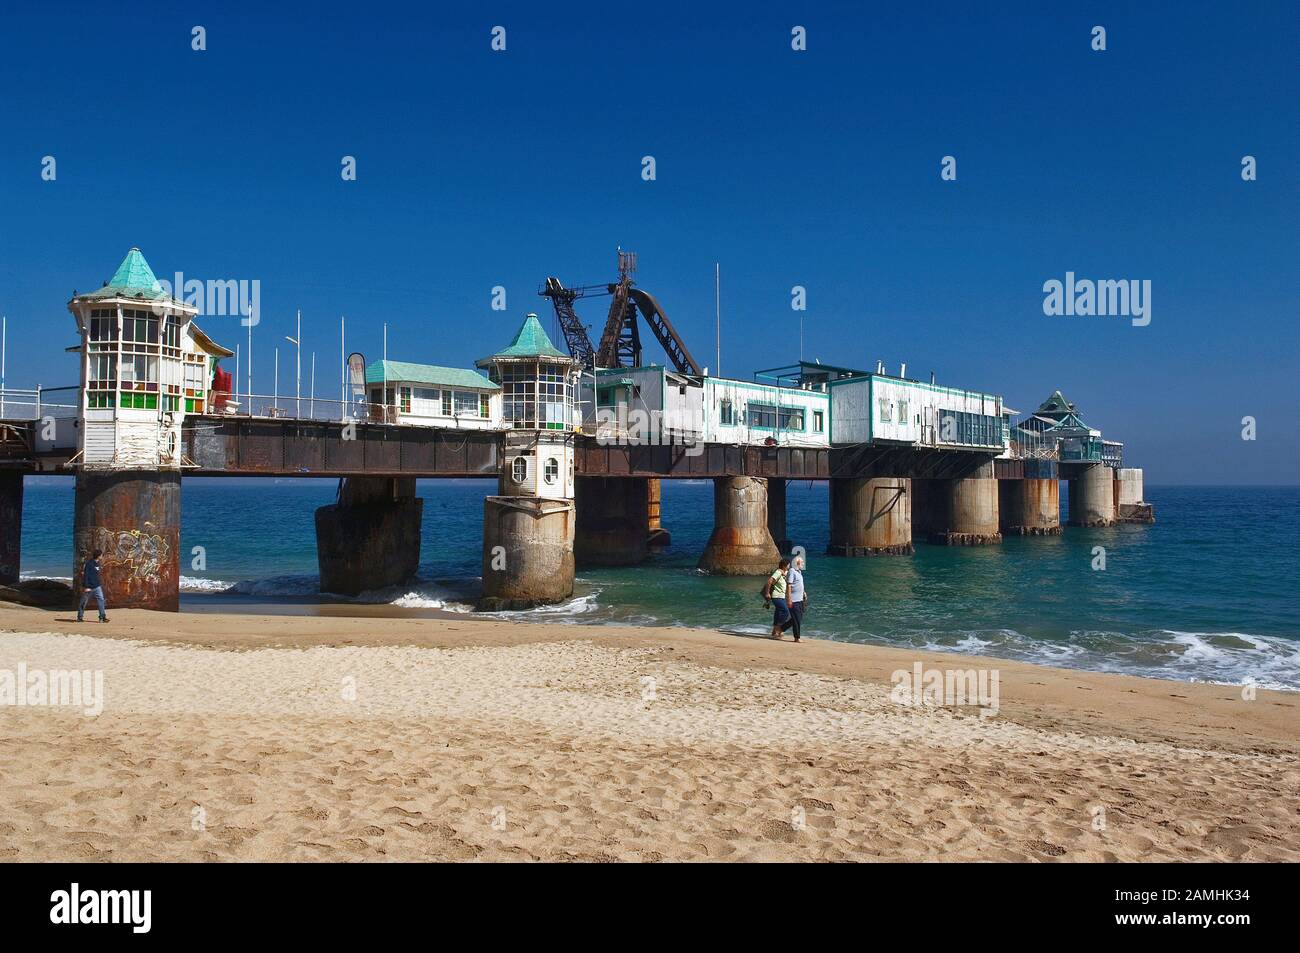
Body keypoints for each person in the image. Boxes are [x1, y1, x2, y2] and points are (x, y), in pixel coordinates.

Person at [762, 558, 791, 640]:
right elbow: (769, 581)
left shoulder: (785, 573)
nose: (790, 566)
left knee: (778, 613)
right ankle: (779, 629)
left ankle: (774, 632)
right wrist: (767, 593)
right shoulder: (778, 572)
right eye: (789, 564)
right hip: (776, 596)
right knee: (785, 612)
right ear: (785, 565)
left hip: (781, 597)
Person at [782, 554, 808, 642]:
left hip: (800, 599)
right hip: (794, 599)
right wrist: (789, 599)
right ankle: (797, 637)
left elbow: (799, 584)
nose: (803, 564)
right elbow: (789, 585)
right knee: (796, 619)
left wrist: (804, 593)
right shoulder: (792, 571)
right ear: (797, 563)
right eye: (802, 562)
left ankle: (781, 628)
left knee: (797, 618)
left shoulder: (799, 572)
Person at [78, 549, 109, 623]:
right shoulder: (89, 564)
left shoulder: (97, 563)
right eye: (101, 555)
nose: (102, 556)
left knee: (101, 600)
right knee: (83, 602)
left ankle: (102, 617)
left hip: (97, 586)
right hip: (89, 587)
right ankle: (80, 617)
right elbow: (86, 575)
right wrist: (86, 587)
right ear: (98, 556)